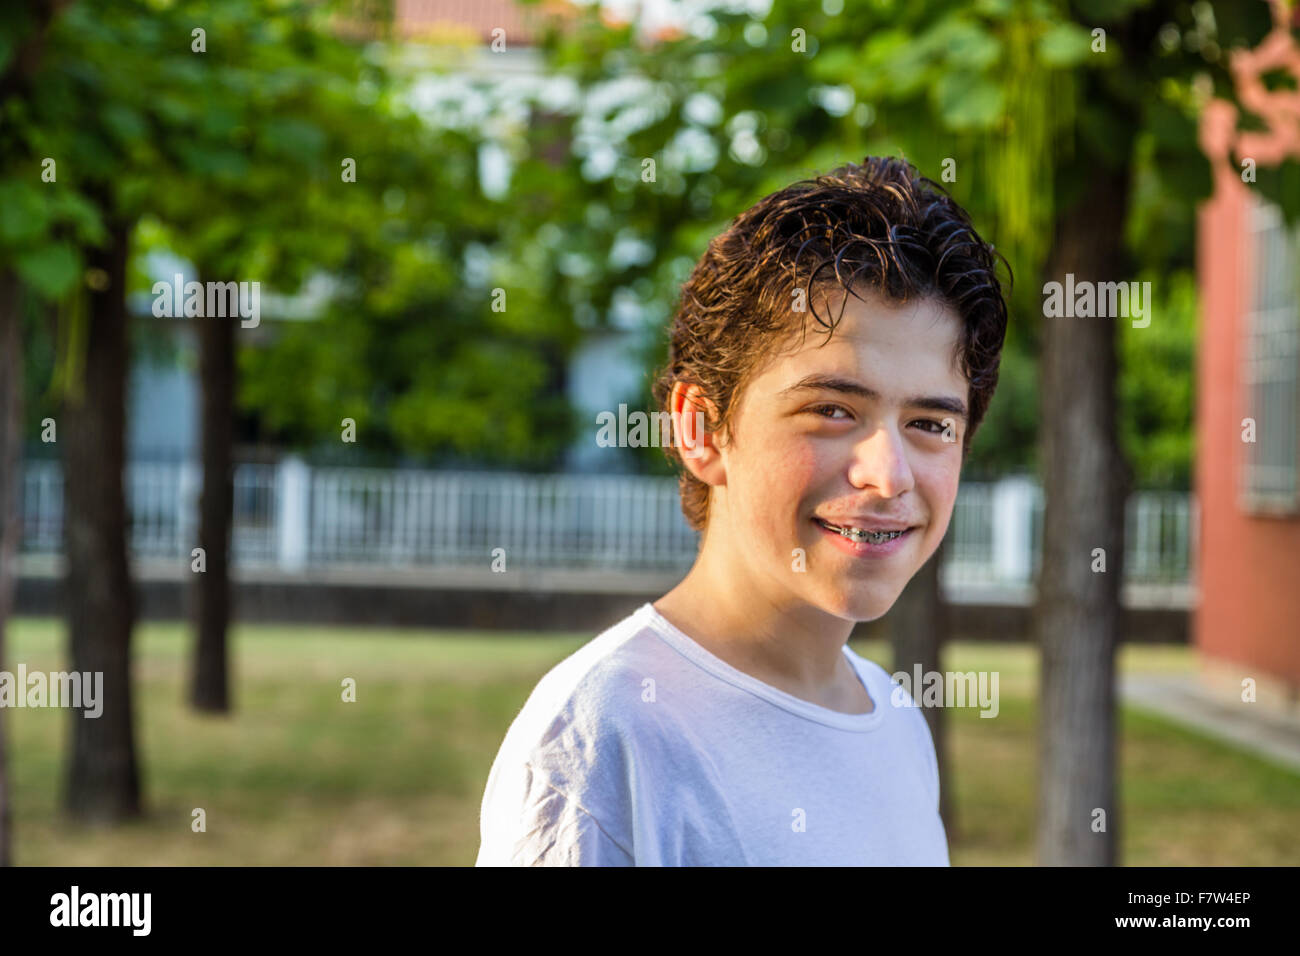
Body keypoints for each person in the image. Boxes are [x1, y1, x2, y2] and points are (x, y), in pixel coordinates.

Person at [475, 156, 1009, 865]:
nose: (887, 476)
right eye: (831, 411)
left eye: (931, 424)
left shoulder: (895, 718)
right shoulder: (602, 738)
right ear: (700, 429)